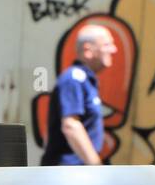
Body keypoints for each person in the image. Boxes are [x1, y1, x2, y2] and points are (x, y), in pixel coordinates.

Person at [40, 24, 117, 165]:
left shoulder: (85, 80)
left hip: (76, 172)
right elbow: (71, 125)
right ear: (88, 50)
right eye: (107, 44)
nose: (114, 50)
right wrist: (95, 165)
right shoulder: (73, 79)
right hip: (66, 174)